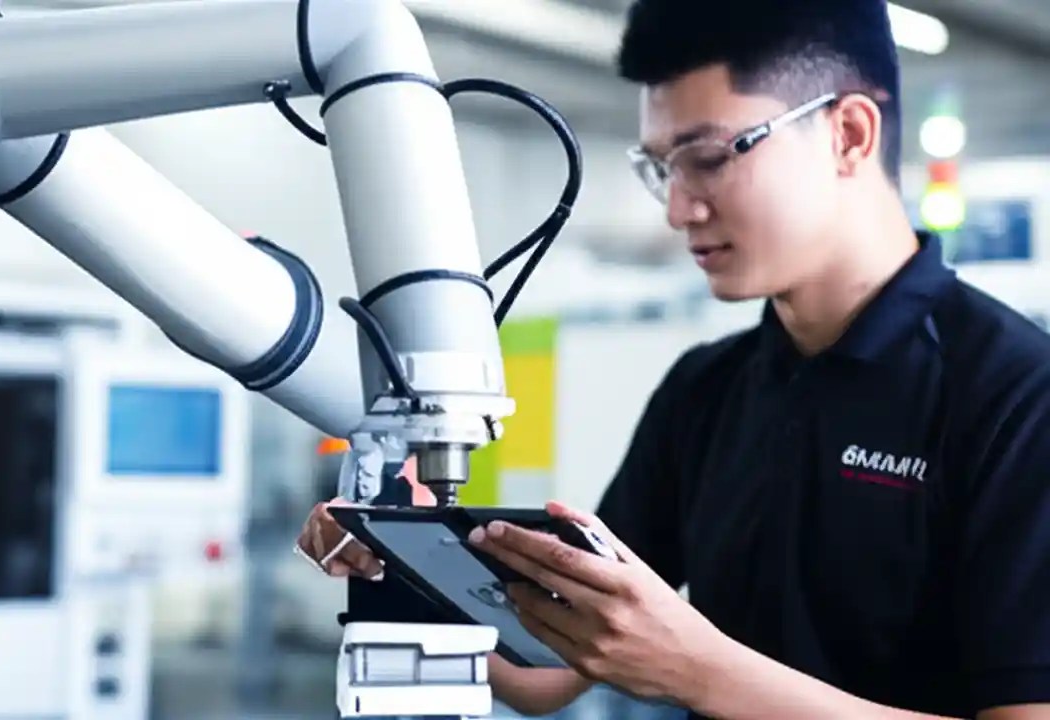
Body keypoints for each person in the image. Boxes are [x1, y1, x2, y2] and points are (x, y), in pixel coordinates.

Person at [299, 0, 1050, 717]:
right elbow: (542, 671)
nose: (678, 208)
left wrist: (703, 672)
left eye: (709, 157)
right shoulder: (706, 392)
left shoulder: (1016, 398)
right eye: (662, 166)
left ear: (848, 133)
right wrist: (402, 561)